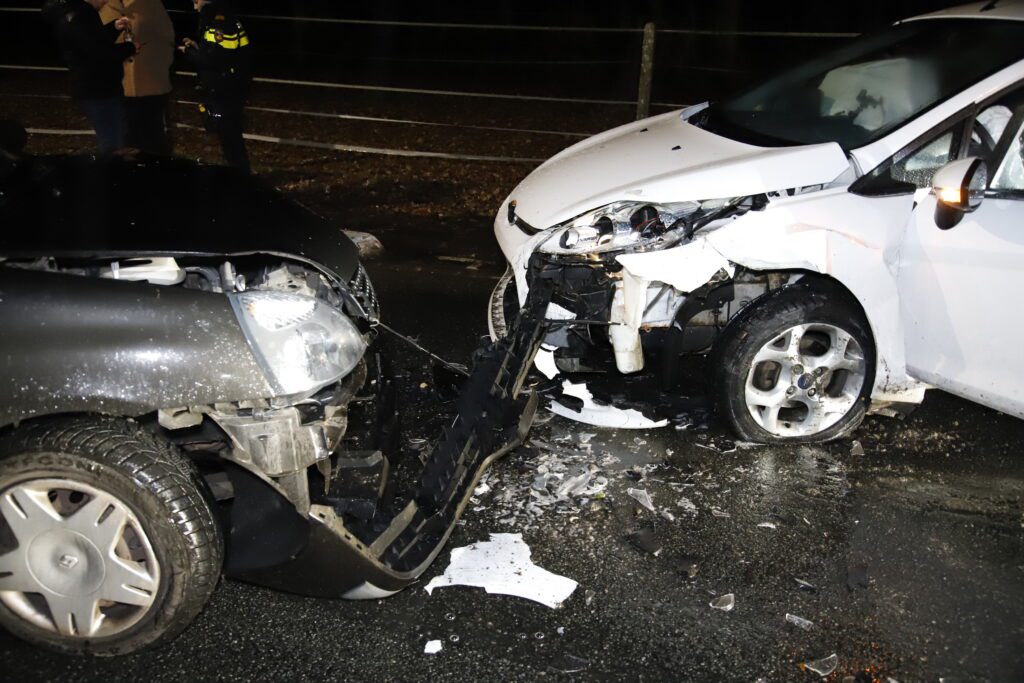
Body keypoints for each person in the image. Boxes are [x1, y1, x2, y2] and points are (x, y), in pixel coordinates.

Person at [42, 0, 137, 153]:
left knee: (111, 137)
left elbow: (93, 41)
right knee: (112, 141)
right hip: (99, 88)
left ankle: (110, 170)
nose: (105, 2)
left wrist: (114, 27)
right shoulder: (81, 16)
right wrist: (129, 47)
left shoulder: (74, 14)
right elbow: (99, 53)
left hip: (92, 86)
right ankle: (110, 173)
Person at [179, 0, 252, 173]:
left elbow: (216, 59)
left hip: (225, 88)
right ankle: (240, 175)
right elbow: (218, 53)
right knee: (228, 134)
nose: (193, 3)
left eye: (196, 0)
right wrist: (198, 49)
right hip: (226, 85)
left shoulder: (219, 20)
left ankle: (242, 177)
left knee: (230, 135)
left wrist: (189, 53)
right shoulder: (218, 17)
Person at [100, 0, 175, 154]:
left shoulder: (151, 4)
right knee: (124, 140)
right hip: (117, 85)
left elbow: (167, 39)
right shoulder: (103, 5)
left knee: (153, 139)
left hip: (151, 84)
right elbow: (95, 43)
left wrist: (157, 65)